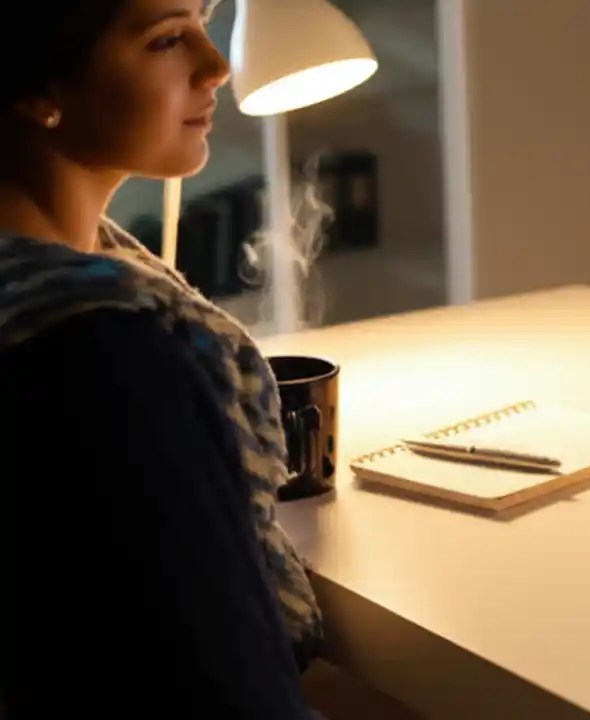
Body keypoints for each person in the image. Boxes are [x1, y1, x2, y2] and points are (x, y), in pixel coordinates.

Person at [0, 1, 321, 717]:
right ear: (35, 85)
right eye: (167, 39)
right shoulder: (100, 358)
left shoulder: (65, 281)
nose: (216, 66)